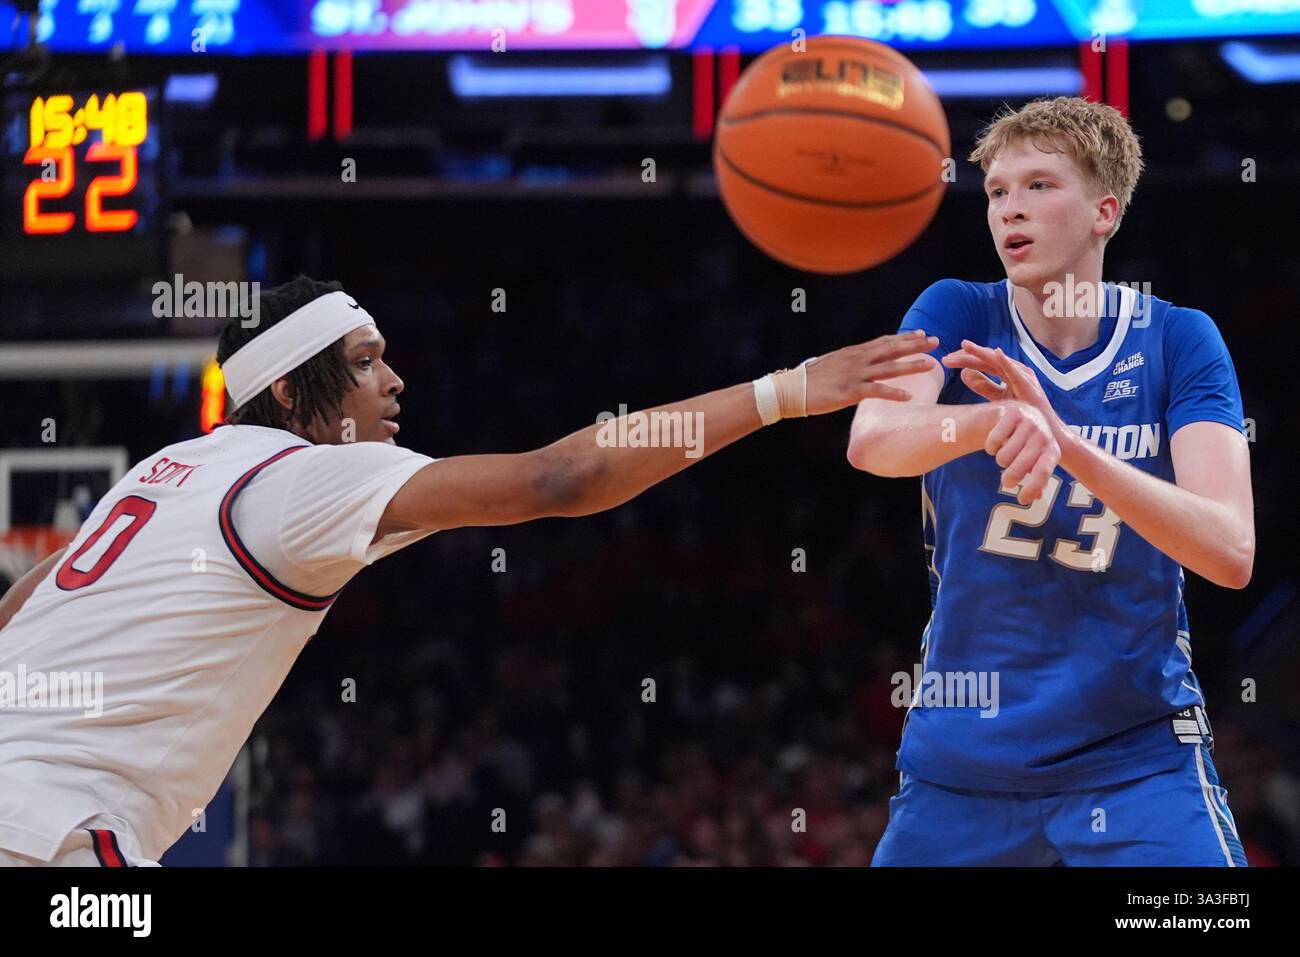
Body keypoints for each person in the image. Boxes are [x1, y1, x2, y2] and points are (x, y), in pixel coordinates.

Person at [0, 276, 937, 866]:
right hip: (56, 827)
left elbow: (25, 599)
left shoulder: (167, 469)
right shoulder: (301, 477)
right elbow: (559, 477)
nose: (394, 381)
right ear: (292, 393)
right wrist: (783, 393)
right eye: (367, 363)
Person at [849, 96, 1252, 865]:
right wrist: (985, 422)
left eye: (1039, 185)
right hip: (964, 759)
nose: (1010, 209)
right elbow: (872, 440)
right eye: (998, 190)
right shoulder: (956, 309)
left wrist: (1066, 444)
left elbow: (1230, 550)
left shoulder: (1178, 339)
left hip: (1137, 754)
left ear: (1105, 211)